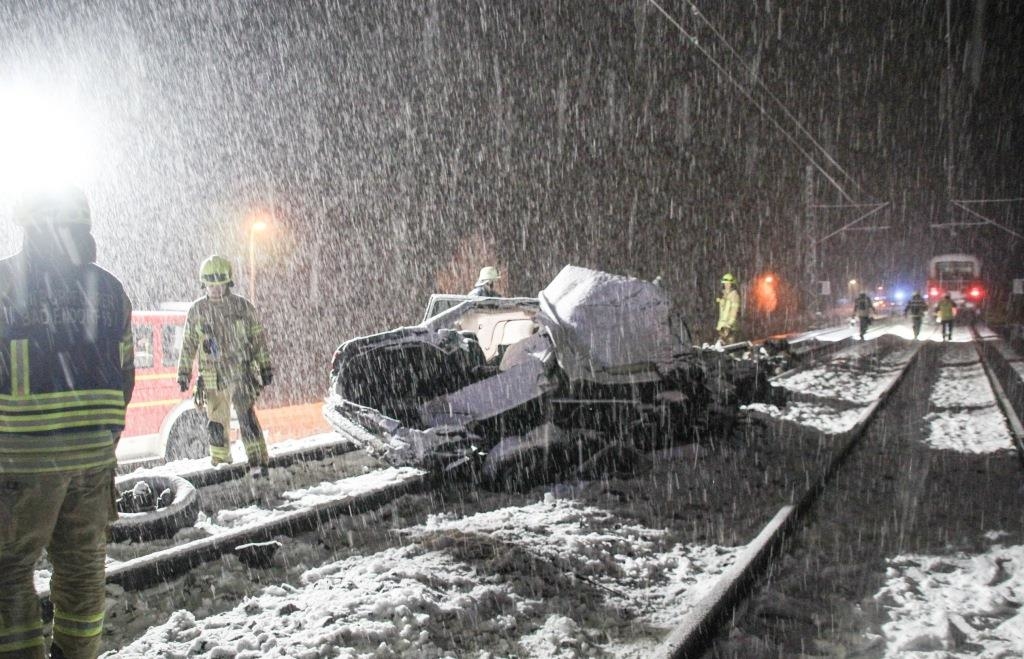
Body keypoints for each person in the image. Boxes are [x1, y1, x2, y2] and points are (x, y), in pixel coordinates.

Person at [0, 186, 135, 659]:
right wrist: (103, 438)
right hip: (94, 455)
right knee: (81, 569)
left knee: (8, 570)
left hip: (21, 457)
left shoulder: (5, 283)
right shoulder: (111, 290)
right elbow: (125, 377)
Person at [177, 255, 273, 476]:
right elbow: (189, 344)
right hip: (212, 378)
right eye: (211, 285)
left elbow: (258, 340)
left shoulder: (243, 308)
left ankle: (258, 462)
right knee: (216, 426)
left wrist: (265, 366)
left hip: (242, 374)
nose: (215, 290)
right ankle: (221, 465)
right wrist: (183, 373)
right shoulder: (197, 311)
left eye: (219, 285)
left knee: (247, 418)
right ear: (204, 285)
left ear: (228, 283)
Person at [716, 273, 741, 343]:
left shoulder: (734, 296)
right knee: (721, 349)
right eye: (725, 283)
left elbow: (734, 312)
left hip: (730, 328)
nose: (726, 285)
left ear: (731, 284)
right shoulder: (722, 296)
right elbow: (722, 314)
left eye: (728, 283)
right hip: (722, 327)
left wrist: (729, 325)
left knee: (730, 348)